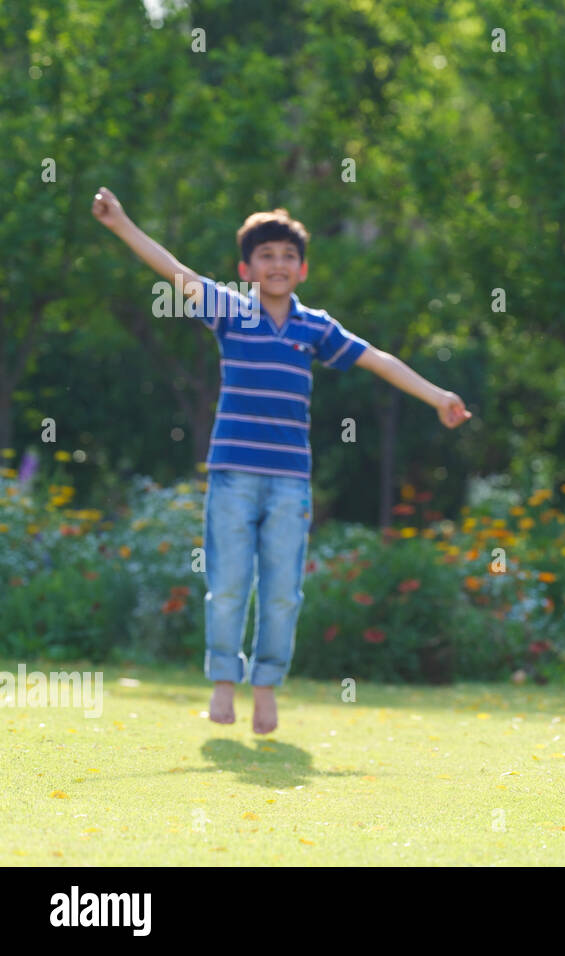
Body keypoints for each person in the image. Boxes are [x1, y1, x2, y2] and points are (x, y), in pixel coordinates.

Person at [91, 189, 472, 733]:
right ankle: (224, 683)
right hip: (232, 476)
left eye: (287, 256)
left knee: (281, 592)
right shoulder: (231, 312)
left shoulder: (314, 327)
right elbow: (175, 271)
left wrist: (438, 397)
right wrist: (121, 224)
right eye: (265, 256)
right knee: (226, 584)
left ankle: (266, 689)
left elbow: (378, 359)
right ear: (246, 268)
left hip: (290, 482)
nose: (277, 264)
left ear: (303, 268)